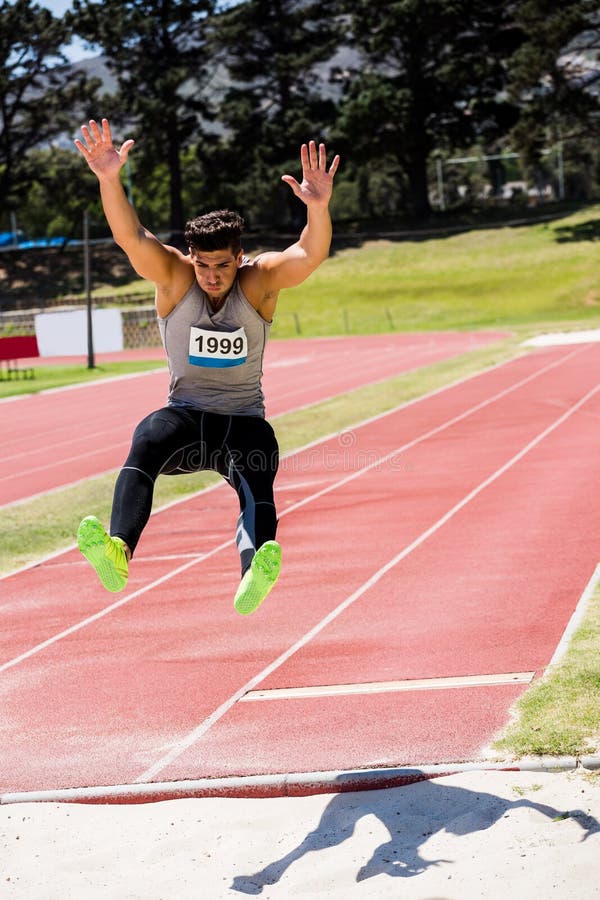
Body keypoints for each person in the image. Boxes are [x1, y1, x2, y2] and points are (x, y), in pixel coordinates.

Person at [74, 118, 339, 615]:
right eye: (203, 265)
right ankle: (118, 548)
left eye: (222, 266)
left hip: (242, 423)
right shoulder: (174, 277)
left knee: (257, 467)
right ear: (190, 257)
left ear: (239, 257)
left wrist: (318, 209)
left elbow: (310, 252)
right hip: (187, 422)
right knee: (150, 432)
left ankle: (252, 573)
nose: (212, 277)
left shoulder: (258, 282)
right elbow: (131, 236)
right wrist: (109, 179)